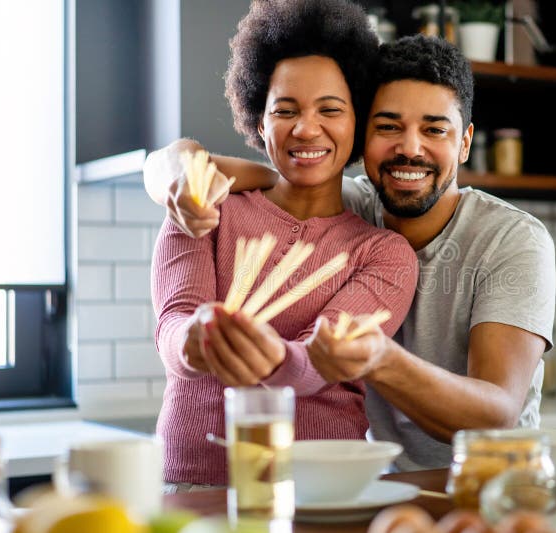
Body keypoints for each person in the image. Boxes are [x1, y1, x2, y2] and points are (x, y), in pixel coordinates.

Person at [146, 35, 555, 472]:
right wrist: (174, 170)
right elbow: (220, 171)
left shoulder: (511, 239)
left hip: (490, 479)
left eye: (434, 129)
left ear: (466, 142)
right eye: (388, 126)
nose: (410, 148)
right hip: (380, 483)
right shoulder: (346, 201)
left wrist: (379, 359)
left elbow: (497, 413)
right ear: (364, 135)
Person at [151, 0, 418, 490]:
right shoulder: (207, 205)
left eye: (330, 110)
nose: (306, 129)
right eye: (285, 111)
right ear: (258, 121)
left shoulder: (384, 254)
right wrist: (195, 340)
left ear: (357, 122)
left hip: (323, 485)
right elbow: (173, 325)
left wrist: (274, 359)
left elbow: (323, 358)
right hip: (196, 482)